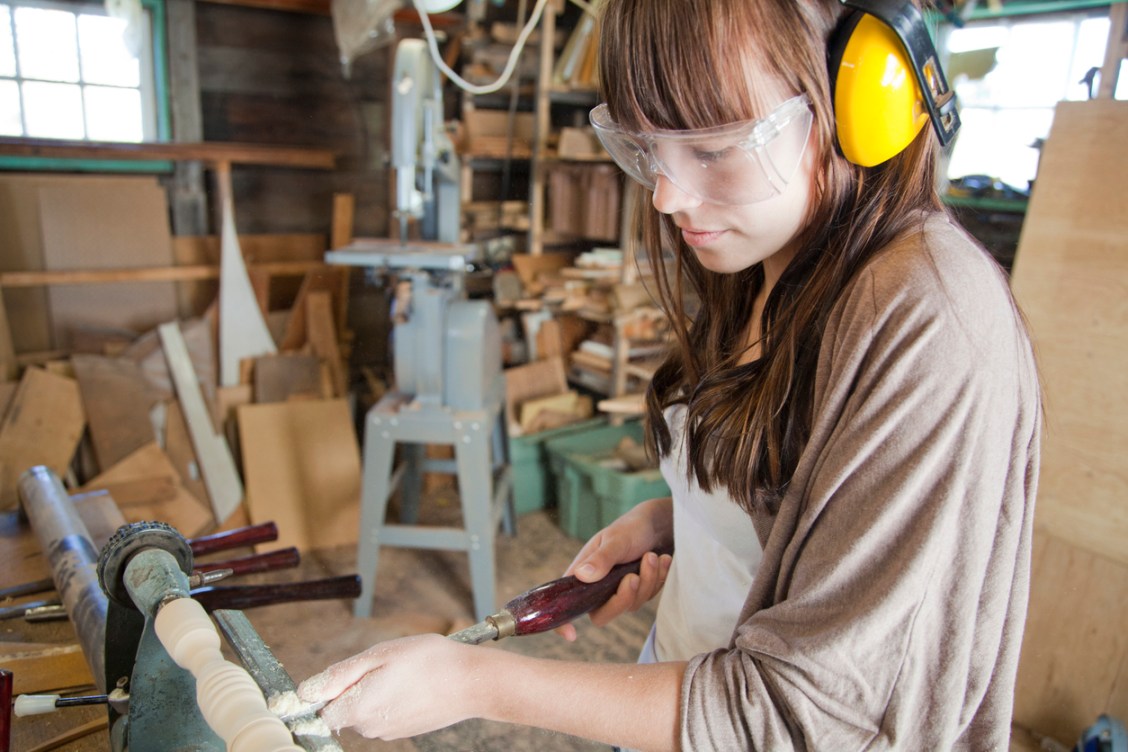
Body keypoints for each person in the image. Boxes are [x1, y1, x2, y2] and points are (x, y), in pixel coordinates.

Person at [296, 0, 1042, 748]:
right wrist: (682, 520)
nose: (668, 196)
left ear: (854, 97)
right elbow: (807, 497)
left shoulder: (933, 320)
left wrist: (474, 681)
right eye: (646, 148)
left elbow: (804, 717)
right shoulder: (775, 257)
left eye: (714, 150)